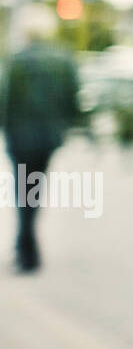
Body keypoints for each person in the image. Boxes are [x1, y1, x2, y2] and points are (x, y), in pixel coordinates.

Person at [2, 33, 82, 273]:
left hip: (19, 136)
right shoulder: (63, 60)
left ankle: (26, 246)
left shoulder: (16, 61)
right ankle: (25, 244)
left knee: (24, 189)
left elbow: (4, 98)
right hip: (48, 137)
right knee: (35, 188)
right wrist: (66, 125)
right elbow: (73, 98)